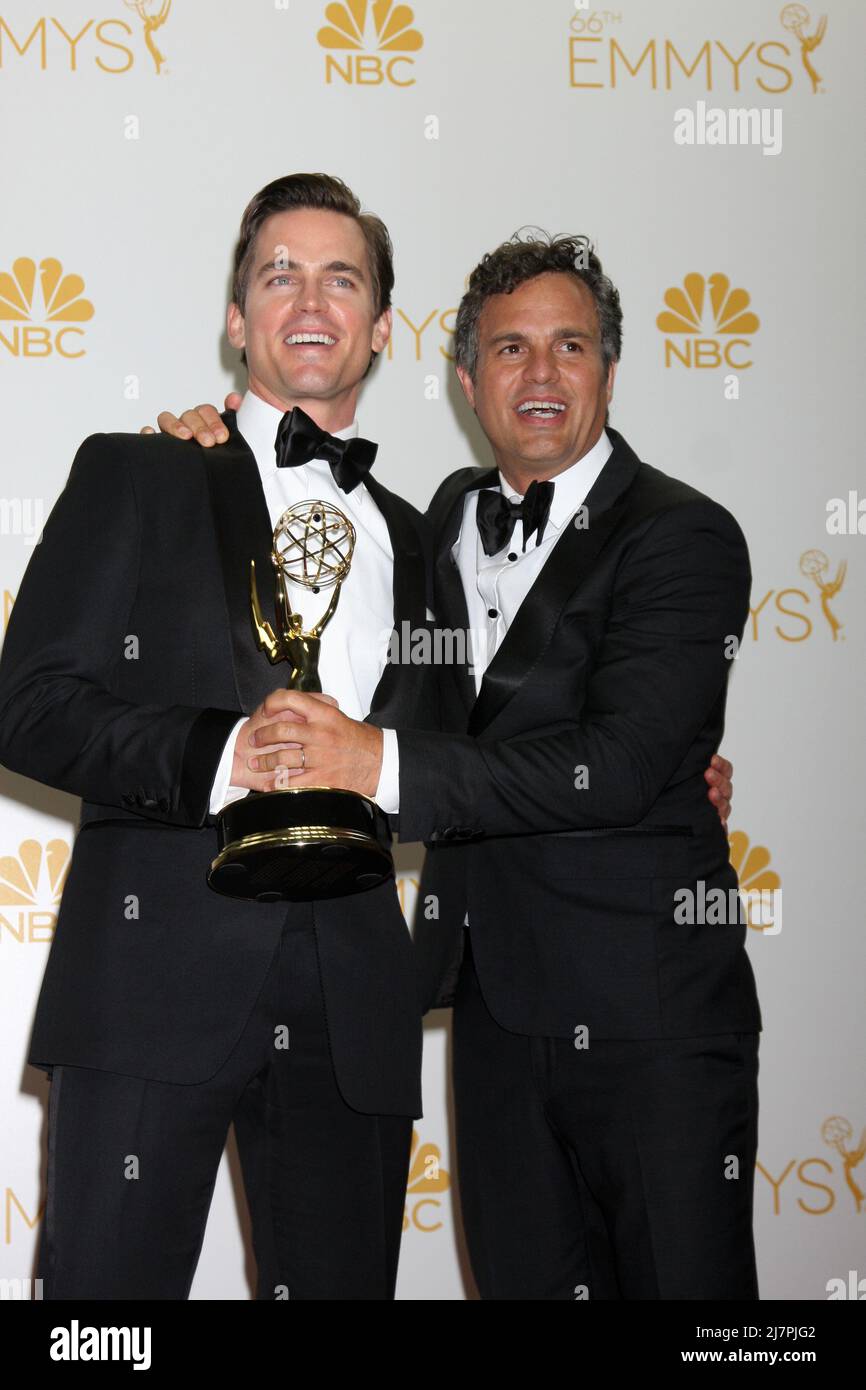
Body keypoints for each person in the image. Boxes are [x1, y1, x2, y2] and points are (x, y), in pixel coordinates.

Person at [154, 232, 748, 1300]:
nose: (539, 374)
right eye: (508, 349)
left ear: (608, 369)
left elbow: (615, 763)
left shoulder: (682, 535)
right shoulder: (431, 525)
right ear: (465, 378)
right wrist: (211, 442)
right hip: (488, 1012)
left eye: (568, 346)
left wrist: (370, 757)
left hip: (649, 1013)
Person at [0, 172, 437, 1300]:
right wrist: (214, 757)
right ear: (236, 319)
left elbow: (464, 751)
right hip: (153, 975)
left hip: (353, 1000)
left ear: (380, 325)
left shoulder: (424, 537)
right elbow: (30, 700)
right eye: (277, 273)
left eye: (341, 277)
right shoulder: (140, 471)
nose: (308, 297)